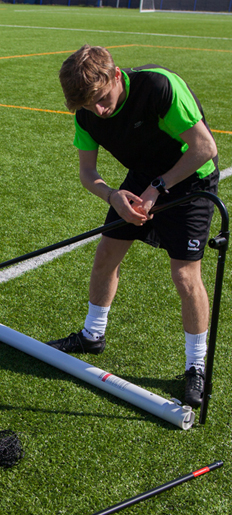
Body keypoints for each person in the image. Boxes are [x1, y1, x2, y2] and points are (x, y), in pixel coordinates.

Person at [48, 45, 219, 409]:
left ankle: (196, 366)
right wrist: (113, 197)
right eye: (87, 105)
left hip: (190, 180)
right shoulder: (86, 113)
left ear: (114, 74)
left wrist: (158, 188)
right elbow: (87, 174)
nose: (98, 110)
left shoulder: (158, 88)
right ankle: (93, 335)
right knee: (106, 254)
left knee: (185, 276)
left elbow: (204, 149)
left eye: (101, 99)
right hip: (142, 179)